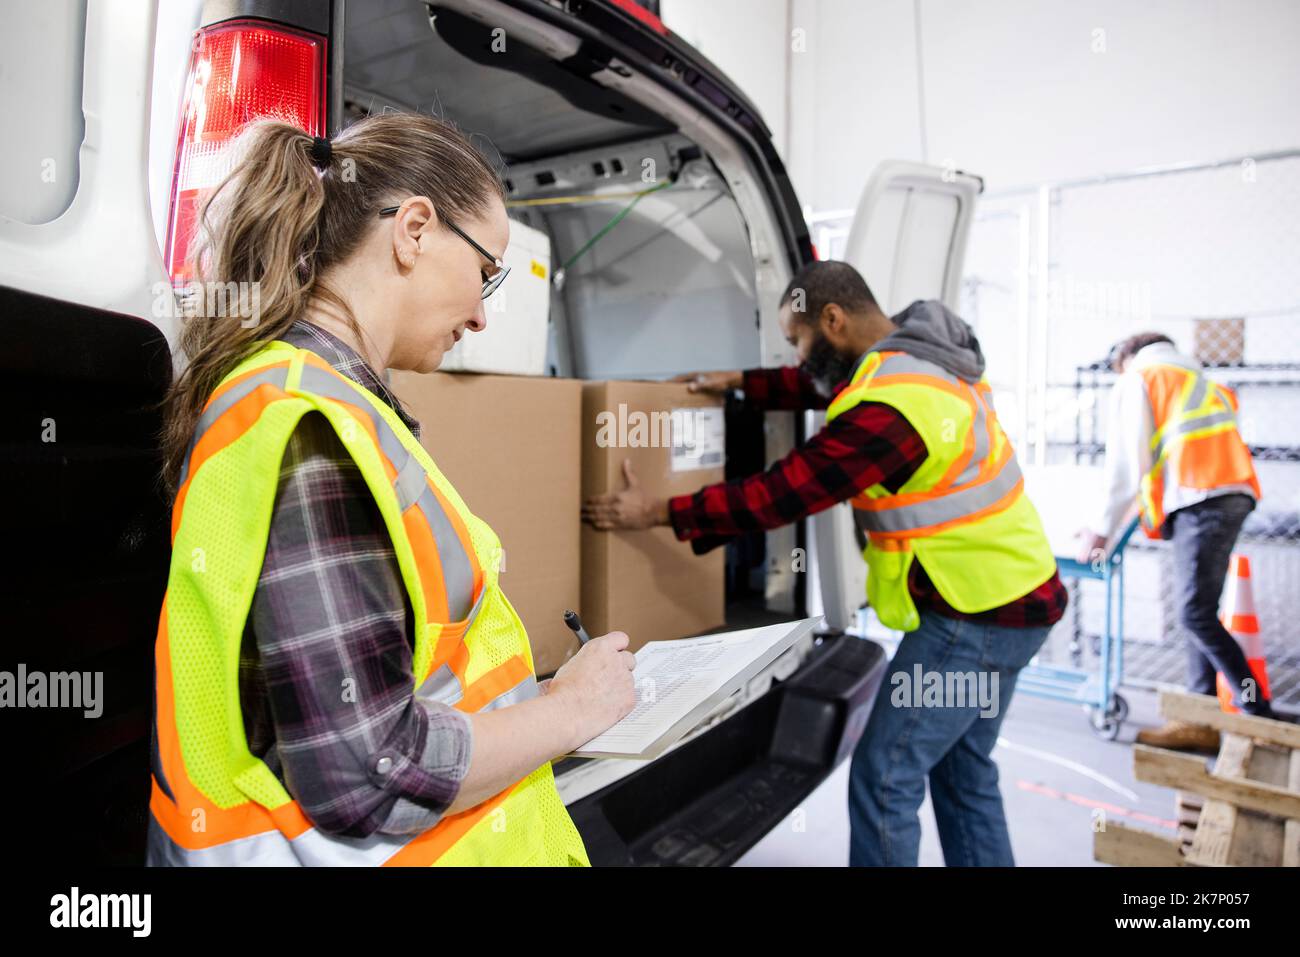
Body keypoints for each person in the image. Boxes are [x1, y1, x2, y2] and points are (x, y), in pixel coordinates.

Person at [148, 114, 636, 866]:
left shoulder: (339, 409)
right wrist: (569, 709)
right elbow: (369, 773)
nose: (480, 314)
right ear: (413, 229)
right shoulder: (308, 424)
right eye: (487, 274)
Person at [583, 261, 1068, 866]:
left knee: (886, 774)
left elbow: (782, 493)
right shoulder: (921, 353)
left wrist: (655, 510)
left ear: (832, 319)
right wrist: (733, 381)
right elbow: (818, 383)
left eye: (798, 340)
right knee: (962, 772)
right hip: (1020, 594)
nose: (798, 356)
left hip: (973, 619)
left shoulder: (885, 414)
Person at [1076, 332, 1270, 748]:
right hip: (1225, 494)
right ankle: (1198, 720)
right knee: (1199, 611)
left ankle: (1258, 710)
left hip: (1203, 498)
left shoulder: (1142, 377)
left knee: (1194, 614)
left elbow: (1126, 467)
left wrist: (1099, 531)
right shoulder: (1194, 377)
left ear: (1125, 357)